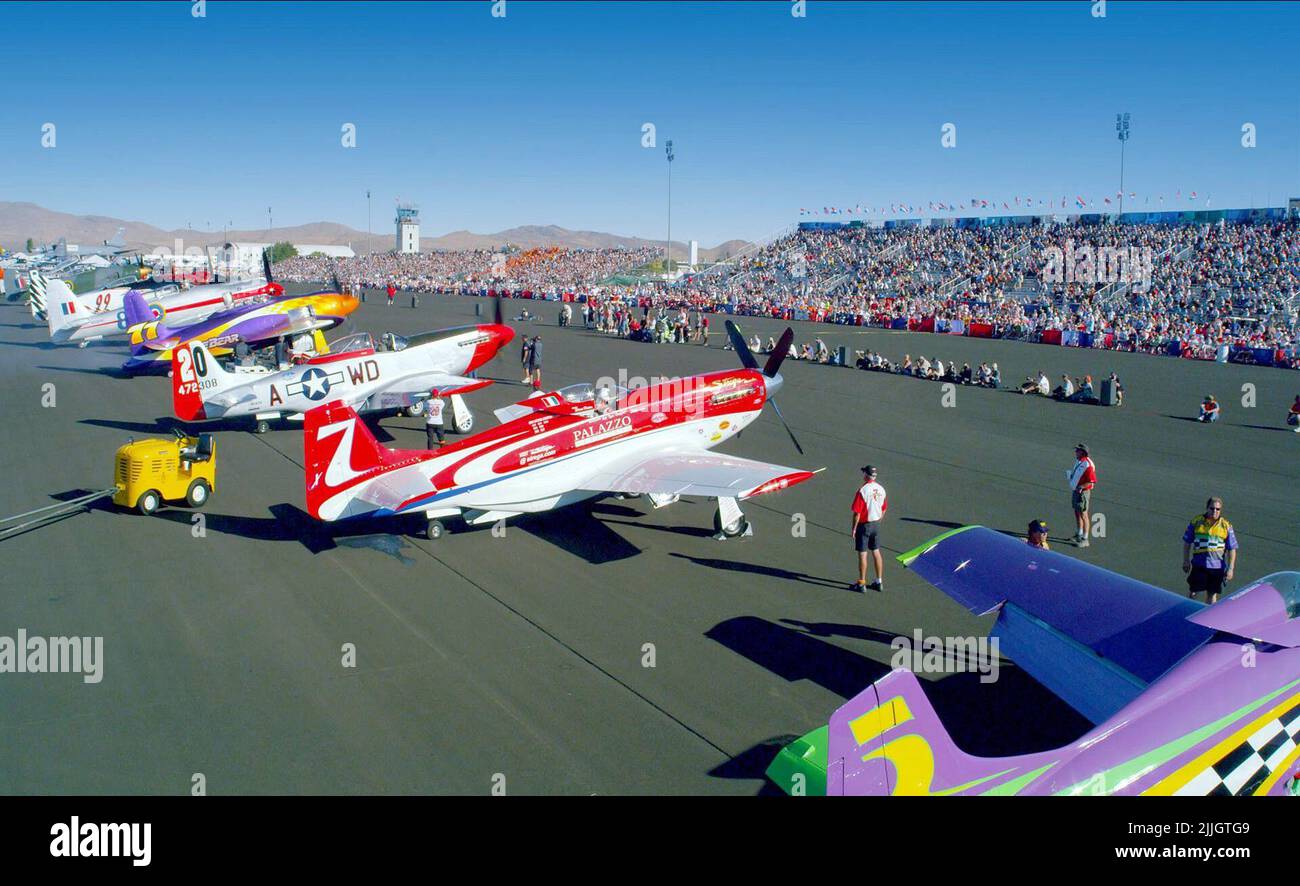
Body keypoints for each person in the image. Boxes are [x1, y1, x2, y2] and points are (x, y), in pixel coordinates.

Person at [1182, 497, 1237, 604]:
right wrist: (1186, 560)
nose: (1215, 511)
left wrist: (1231, 568)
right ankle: (1186, 614)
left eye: (1218, 509)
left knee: (1212, 595)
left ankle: (1207, 619)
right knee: (1193, 593)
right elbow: (1187, 542)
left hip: (1216, 568)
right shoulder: (1196, 522)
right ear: (1207, 508)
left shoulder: (1226, 525)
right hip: (1199, 565)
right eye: (1212, 508)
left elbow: (1232, 549)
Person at [849, 464, 888, 592]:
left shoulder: (863, 490)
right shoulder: (881, 489)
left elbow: (857, 513)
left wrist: (854, 528)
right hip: (876, 524)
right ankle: (879, 581)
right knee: (876, 551)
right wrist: (879, 520)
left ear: (866, 475)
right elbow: (884, 508)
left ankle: (861, 583)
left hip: (864, 525)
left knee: (862, 553)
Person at [1066, 442, 1097, 547]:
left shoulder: (1088, 465)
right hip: (1076, 491)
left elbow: (1091, 481)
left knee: (1083, 514)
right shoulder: (1079, 461)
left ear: (1083, 452)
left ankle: (1085, 539)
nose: (1075, 452)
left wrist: (1081, 487)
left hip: (1082, 493)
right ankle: (1078, 534)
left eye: (1077, 450)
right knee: (1077, 512)